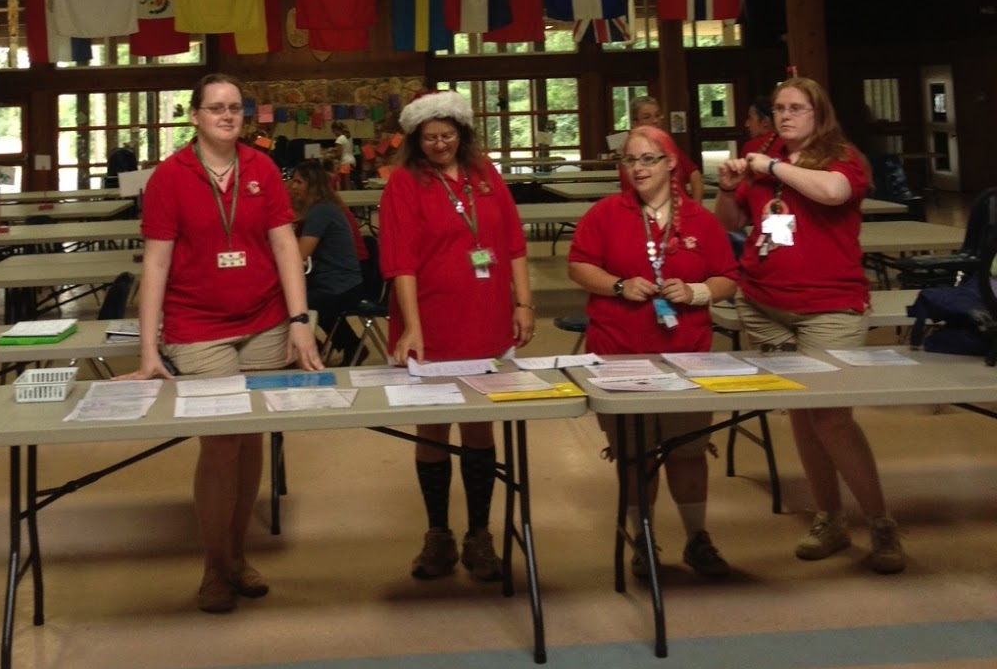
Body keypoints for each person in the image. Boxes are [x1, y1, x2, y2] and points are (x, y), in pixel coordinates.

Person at [133, 74, 322, 614]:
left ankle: (238, 557)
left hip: (264, 321)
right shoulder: (170, 177)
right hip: (198, 328)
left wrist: (299, 318)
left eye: (235, 108)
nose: (226, 115)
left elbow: (285, 245)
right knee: (220, 442)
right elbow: (157, 264)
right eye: (215, 108)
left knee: (251, 437)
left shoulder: (262, 168)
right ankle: (214, 567)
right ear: (194, 116)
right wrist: (149, 350)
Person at [714, 75, 905, 573]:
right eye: (778, 108)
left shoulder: (841, 156)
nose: (786, 116)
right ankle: (830, 518)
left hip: (830, 307)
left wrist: (773, 166)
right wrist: (729, 189)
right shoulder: (759, 152)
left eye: (797, 107)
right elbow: (729, 225)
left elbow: (834, 193)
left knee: (832, 418)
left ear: (819, 113)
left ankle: (880, 521)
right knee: (801, 411)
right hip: (764, 304)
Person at [568, 125, 739, 579]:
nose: (638, 169)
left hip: (687, 355)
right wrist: (618, 285)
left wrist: (698, 292)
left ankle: (697, 538)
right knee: (635, 455)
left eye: (647, 159)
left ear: (670, 165)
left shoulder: (701, 222)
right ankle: (641, 538)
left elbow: (727, 276)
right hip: (618, 353)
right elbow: (579, 266)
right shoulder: (605, 214)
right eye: (630, 160)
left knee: (688, 451)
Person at [379, 89, 535, 584]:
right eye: (429, 138)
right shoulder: (403, 184)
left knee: (479, 428)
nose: (440, 144)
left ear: (462, 134)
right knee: (433, 428)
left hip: (487, 321)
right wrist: (413, 327)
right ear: (415, 140)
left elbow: (512, 242)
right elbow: (400, 261)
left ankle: (479, 535)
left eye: (447, 136)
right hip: (430, 324)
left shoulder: (486, 175)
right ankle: (439, 533)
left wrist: (524, 302)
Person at [286, 159, 364, 356]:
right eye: (292, 181)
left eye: (298, 182)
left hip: (341, 285)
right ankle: (350, 346)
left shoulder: (321, 211)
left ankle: (313, 348)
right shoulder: (324, 207)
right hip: (343, 282)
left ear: (312, 186)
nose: (293, 186)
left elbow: (301, 254)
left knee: (289, 303)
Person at [626, 95, 704, 202]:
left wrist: (696, 207)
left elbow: (695, 175)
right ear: (635, 123)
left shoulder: (668, 146)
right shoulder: (630, 155)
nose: (655, 121)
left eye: (658, 115)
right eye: (647, 117)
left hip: (680, 210)